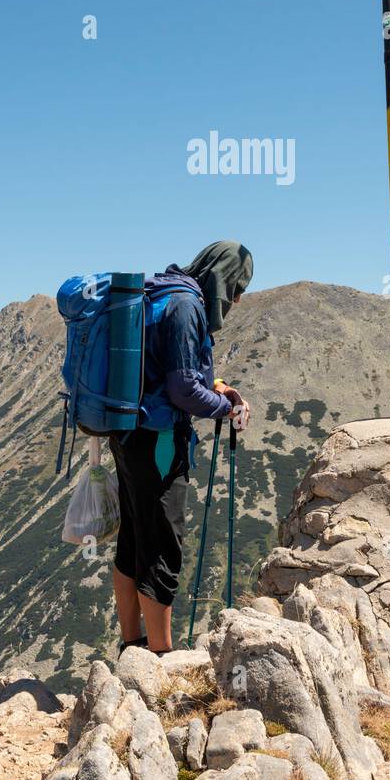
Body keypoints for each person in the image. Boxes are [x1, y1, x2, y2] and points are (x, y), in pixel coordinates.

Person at [109, 241, 253, 656]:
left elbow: (172, 370)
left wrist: (219, 386)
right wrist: (226, 407)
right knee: (162, 548)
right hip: (158, 439)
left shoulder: (164, 291)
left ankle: (131, 645)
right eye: (237, 286)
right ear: (222, 278)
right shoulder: (187, 306)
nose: (238, 297)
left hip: (129, 432)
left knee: (134, 538)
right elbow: (183, 389)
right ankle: (160, 657)